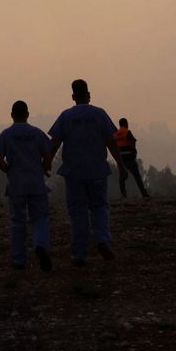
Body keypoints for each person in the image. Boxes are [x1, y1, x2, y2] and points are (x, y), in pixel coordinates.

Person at [46, 79, 127, 266]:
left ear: (73, 96)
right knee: (100, 207)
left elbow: (55, 143)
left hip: (74, 172)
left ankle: (79, 254)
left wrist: (46, 163)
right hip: (97, 170)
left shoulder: (66, 116)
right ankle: (103, 240)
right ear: (89, 94)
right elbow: (112, 142)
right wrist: (121, 166)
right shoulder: (99, 114)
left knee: (78, 212)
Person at [0, 100, 54, 271]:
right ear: (27, 114)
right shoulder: (36, 133)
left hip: (17, 184)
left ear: (12, 115)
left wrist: (8, 171)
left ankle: (19, 260)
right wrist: (44, 167)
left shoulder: (6, 134)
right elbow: (48, 153)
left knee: (17, 221)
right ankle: (40, 244)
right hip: (36, 182)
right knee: (40, 218)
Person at [114, 118, 150, 199]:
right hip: (129, 158)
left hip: (121, 159)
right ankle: (144, 194)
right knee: (137, 176)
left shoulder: (116, 134)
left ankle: (123, 195)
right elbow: (132, 143)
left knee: (122, 178)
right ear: (126, 123)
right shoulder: (127, 132)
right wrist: (134, 152)